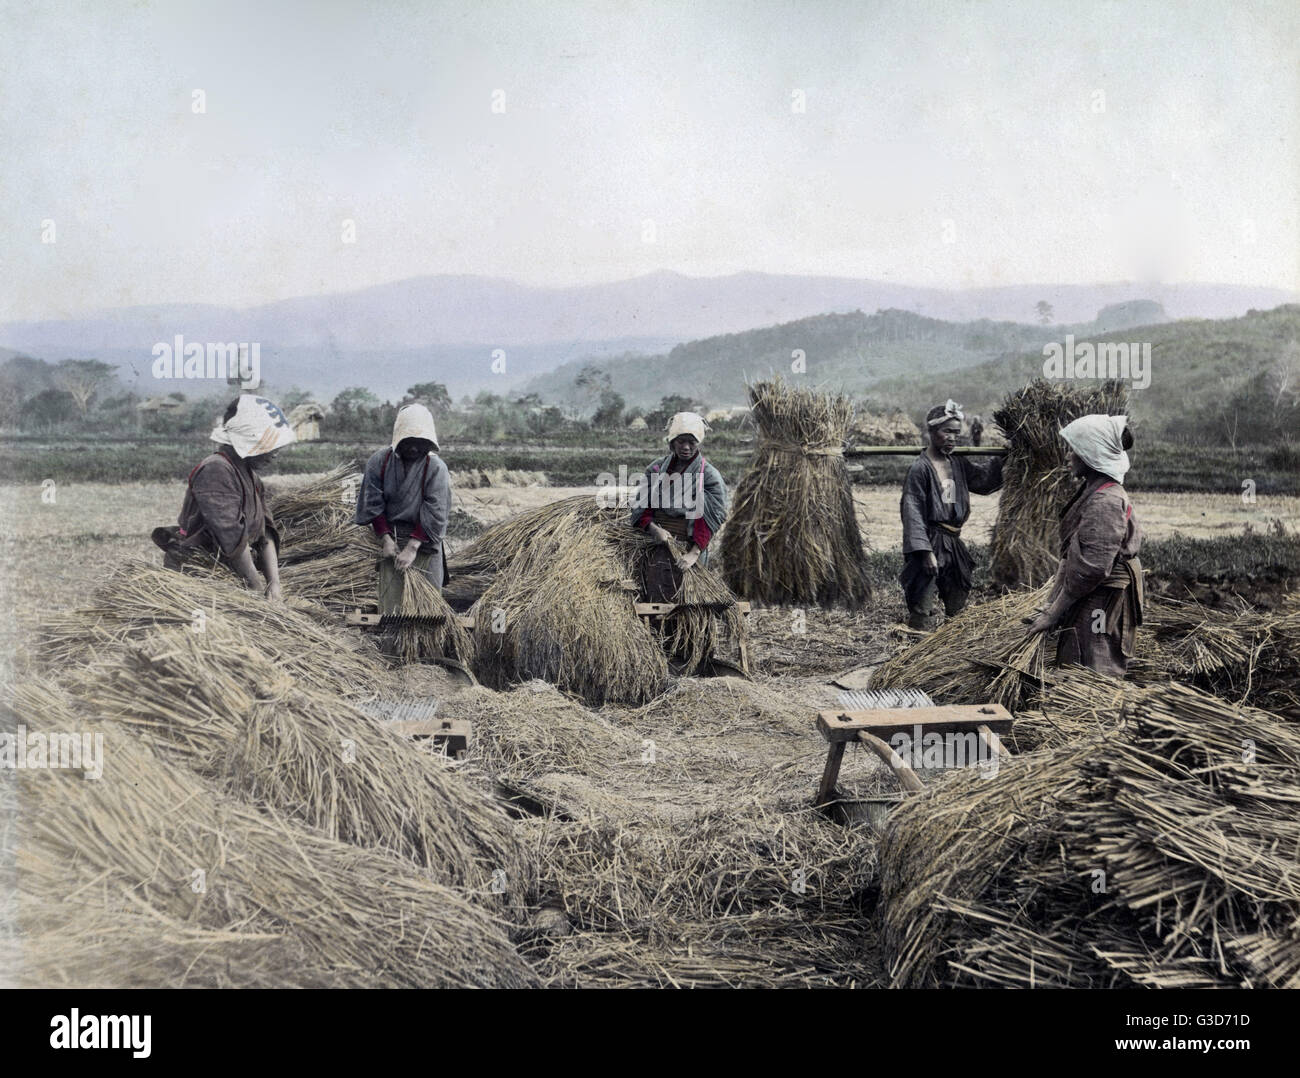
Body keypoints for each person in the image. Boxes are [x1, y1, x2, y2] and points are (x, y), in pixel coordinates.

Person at [1024, 415, 1143, 676]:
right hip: (1092, 591)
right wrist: (1051, 602)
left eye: (1074, 450)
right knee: (1078, 656)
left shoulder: (1105, 502)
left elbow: (1092, 569)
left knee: (1095, 666)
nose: (1067, 456)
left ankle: (1096, 716)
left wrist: (1054, 613)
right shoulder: (1092, 490)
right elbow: (1071, 558)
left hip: (1104, 598)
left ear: (1091, 455)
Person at [152, 394, 295, 597]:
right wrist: (256, 589)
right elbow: (232, 539)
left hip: (231, 573)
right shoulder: (216, 470)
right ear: (247, 439)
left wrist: (274, 585)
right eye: (268, 445)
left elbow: (267, 533)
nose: (274, 454)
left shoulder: (252, 477)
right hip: (199, 575)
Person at [899, 399, 1004, 630]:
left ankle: (951, 648)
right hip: (929, 540)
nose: (952, 438)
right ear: (932, 432)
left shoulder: (958, 462)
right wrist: (925, 552)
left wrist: (1002, 459)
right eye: (947, 432)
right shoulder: (920, 468)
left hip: (954, 542)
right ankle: (918, 651)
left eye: (956, 433)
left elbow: (983, 482)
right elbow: (912, 511)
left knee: (958, 601)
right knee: (922, 601)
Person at [354, 403, 451, 614]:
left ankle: (426, 647)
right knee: (392, 606)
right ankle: (392, 644)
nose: (414, 449)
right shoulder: (379, 461)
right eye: (408, 443)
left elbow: (436, 511)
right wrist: (385, 539)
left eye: (420, 443)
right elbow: (373, 503)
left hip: (425, 540)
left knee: (428, 610)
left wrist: (412, 547)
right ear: (398, 439)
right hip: (392, 539)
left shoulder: (436, 468)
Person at [629, 411, 727, 603]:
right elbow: (642, 505)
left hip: (691, 546)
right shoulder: (656, 469)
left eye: (692, 442)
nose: (686, 447)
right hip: (659, 544)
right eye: (681, 441)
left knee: (689, 602)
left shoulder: (708, 475)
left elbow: (712, 515)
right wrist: (653, 528)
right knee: (658, 599)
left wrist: (694, 553)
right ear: (672, 442)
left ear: (698, 443)